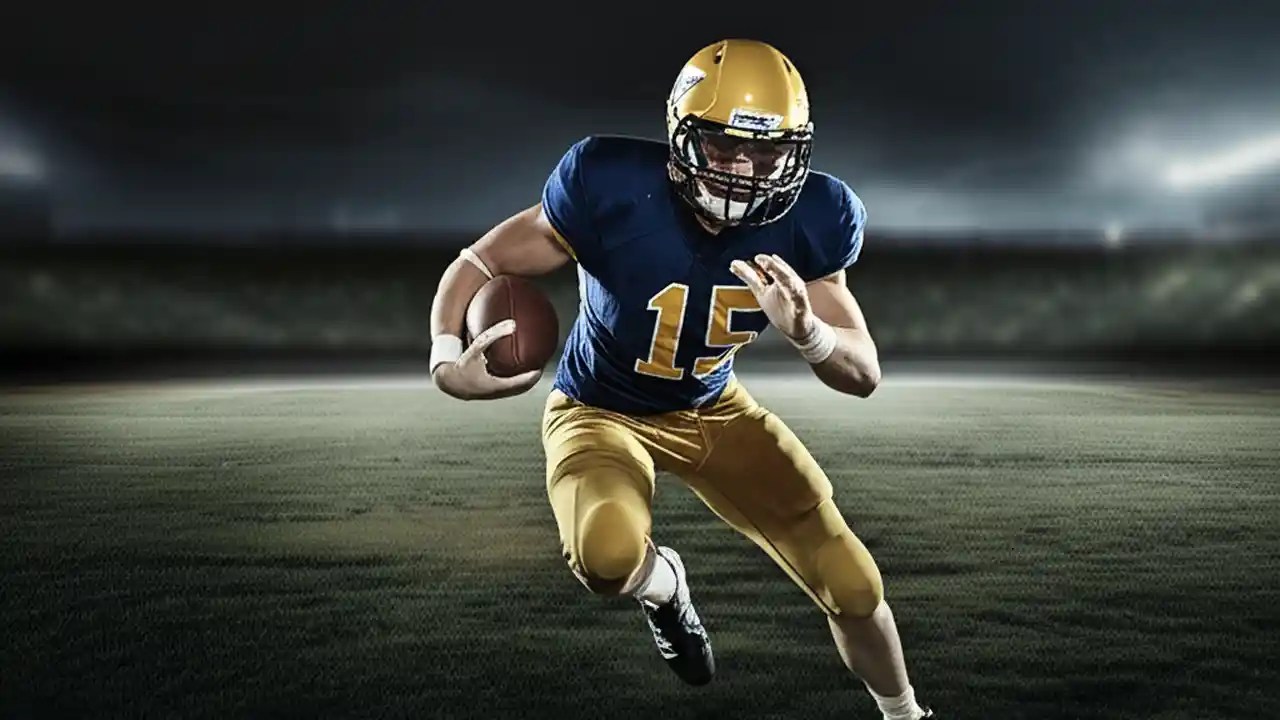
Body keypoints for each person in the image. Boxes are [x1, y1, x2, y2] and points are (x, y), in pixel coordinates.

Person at [428, 38, 934, 720]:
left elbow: (864, 372)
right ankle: (664, 587)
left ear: (797, 154)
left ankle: (906, 715)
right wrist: (442, 357)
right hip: (597, 410)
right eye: (724, 148)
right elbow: (481, 260)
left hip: (714, 410)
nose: (745, 173)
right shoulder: (607, 183)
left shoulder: (818, 217)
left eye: (767, 154)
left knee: (854, 583)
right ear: (681, 136)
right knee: (606, 557)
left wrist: (810, 333)